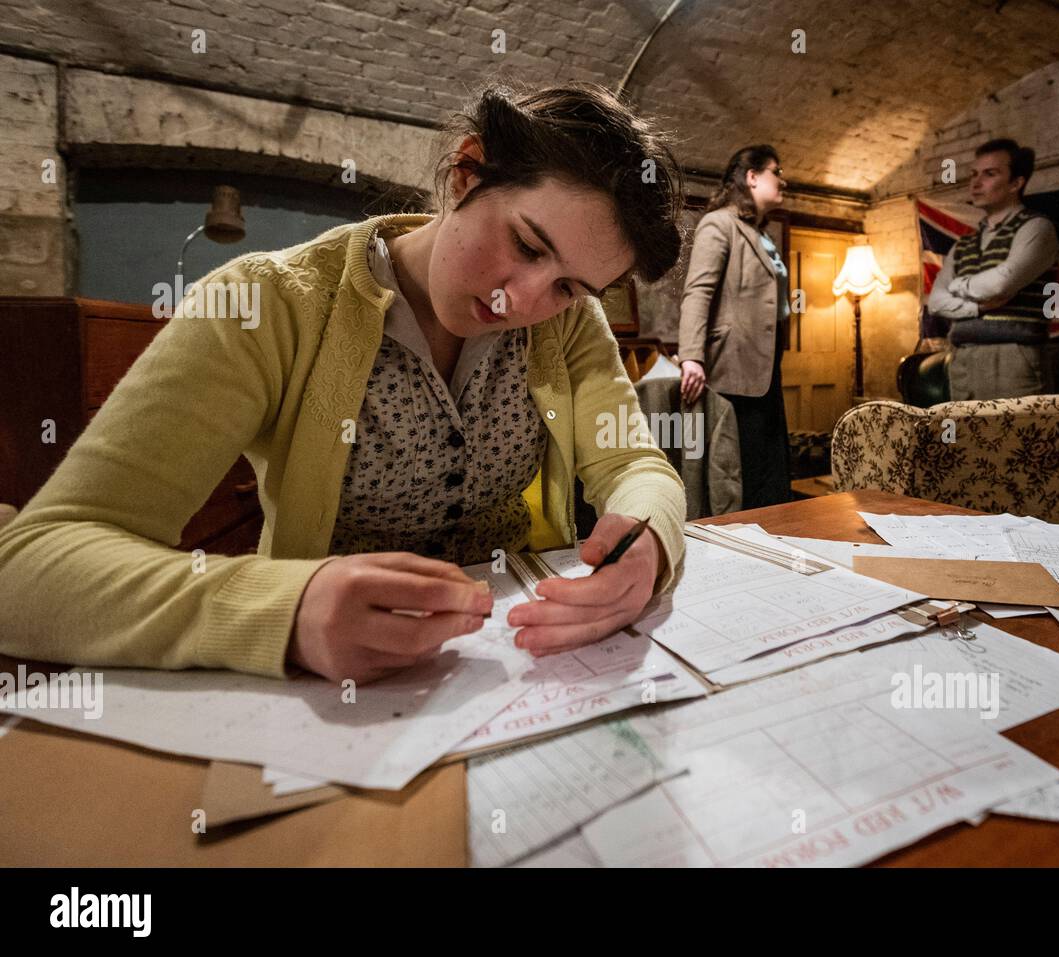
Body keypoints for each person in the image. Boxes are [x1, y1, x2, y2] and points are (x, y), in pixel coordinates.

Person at [0, 82, 688, 685]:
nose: (526, 299)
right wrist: (288, 609)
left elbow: (631, 461)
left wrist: (650, 540)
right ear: (466, 172)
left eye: (568, 284)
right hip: (332, 697)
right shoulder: (267, 302)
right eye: (527, 245)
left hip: (515, 668)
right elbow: (29, 569)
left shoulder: (569, 324)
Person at [677, 144, 792, 509]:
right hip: (732, 365)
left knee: (770, 463)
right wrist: (691, 356)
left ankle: (775, 537)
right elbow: (699, 290)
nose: (783, 180)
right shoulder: (719, 223)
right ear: (752, 177)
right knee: (741, 462)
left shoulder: (761, 234)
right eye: (777, 171)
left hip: (765, 366)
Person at [927, 137, 1059, 400]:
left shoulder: (1037, 228)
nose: (976, 183)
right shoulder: (964, 244)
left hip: (1014, 355)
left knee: (1016, 439)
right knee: (966, 438)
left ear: (1016, 183)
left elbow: (1001, 283)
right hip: (963, 354)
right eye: (974, 174)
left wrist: (958, 286)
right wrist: (977, 307)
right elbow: (935, 302)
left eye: (990, 174)